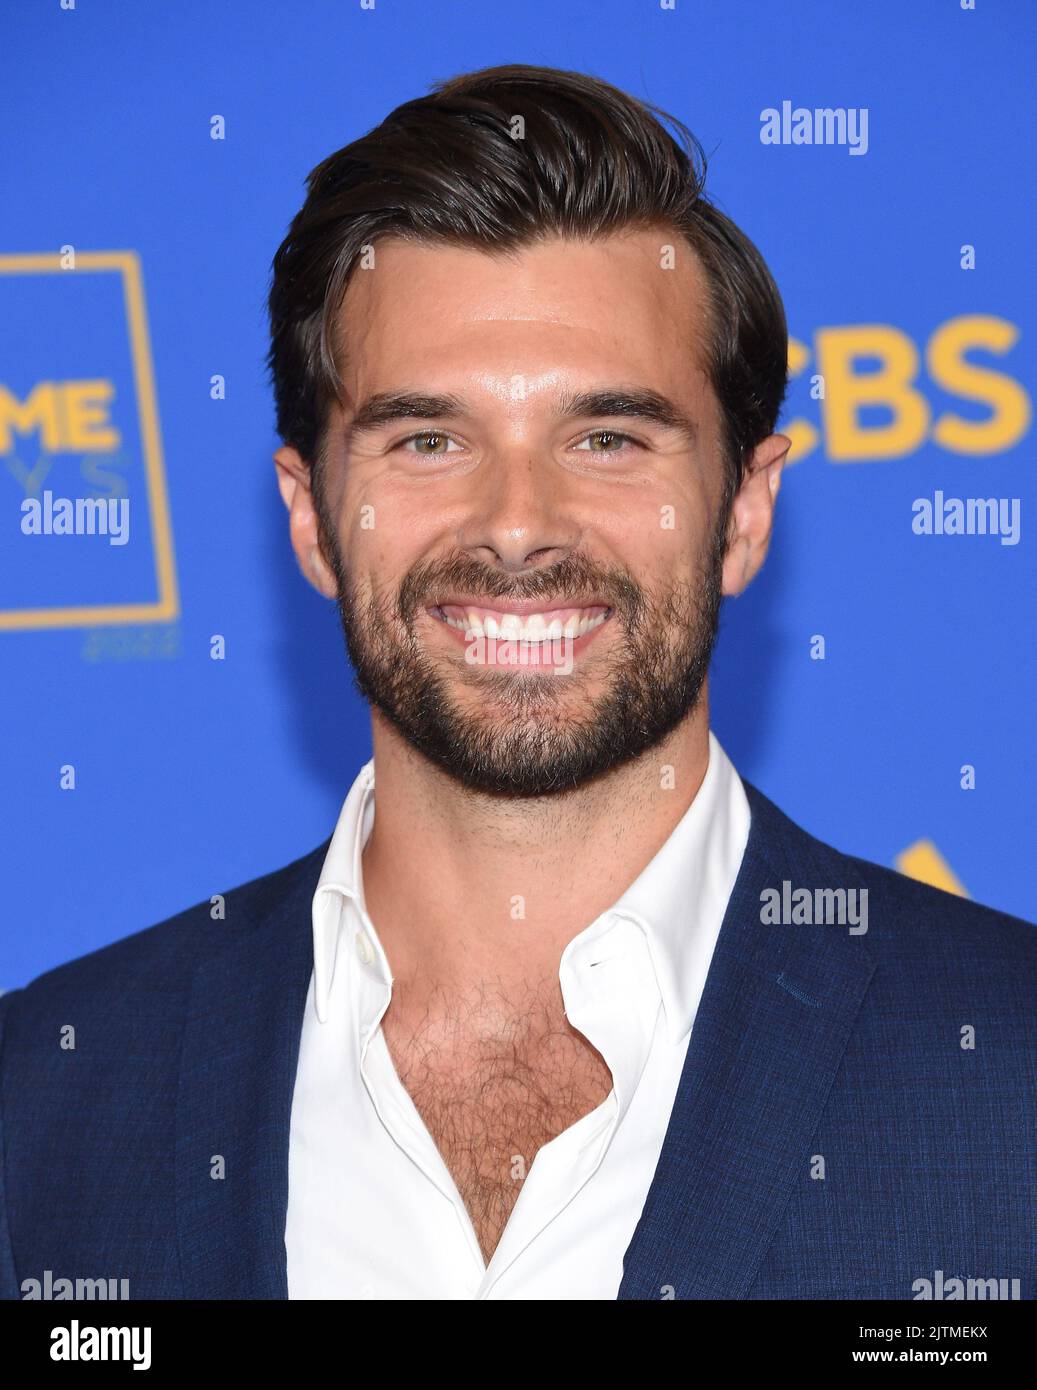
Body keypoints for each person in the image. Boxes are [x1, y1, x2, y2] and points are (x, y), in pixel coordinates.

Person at [2, 65, 1034, 1302]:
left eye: (606, 438)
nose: (515, 525)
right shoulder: (49, 1095)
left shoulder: (1005, 1067)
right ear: (312, 519)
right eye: (427, 440)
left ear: (746, 511)